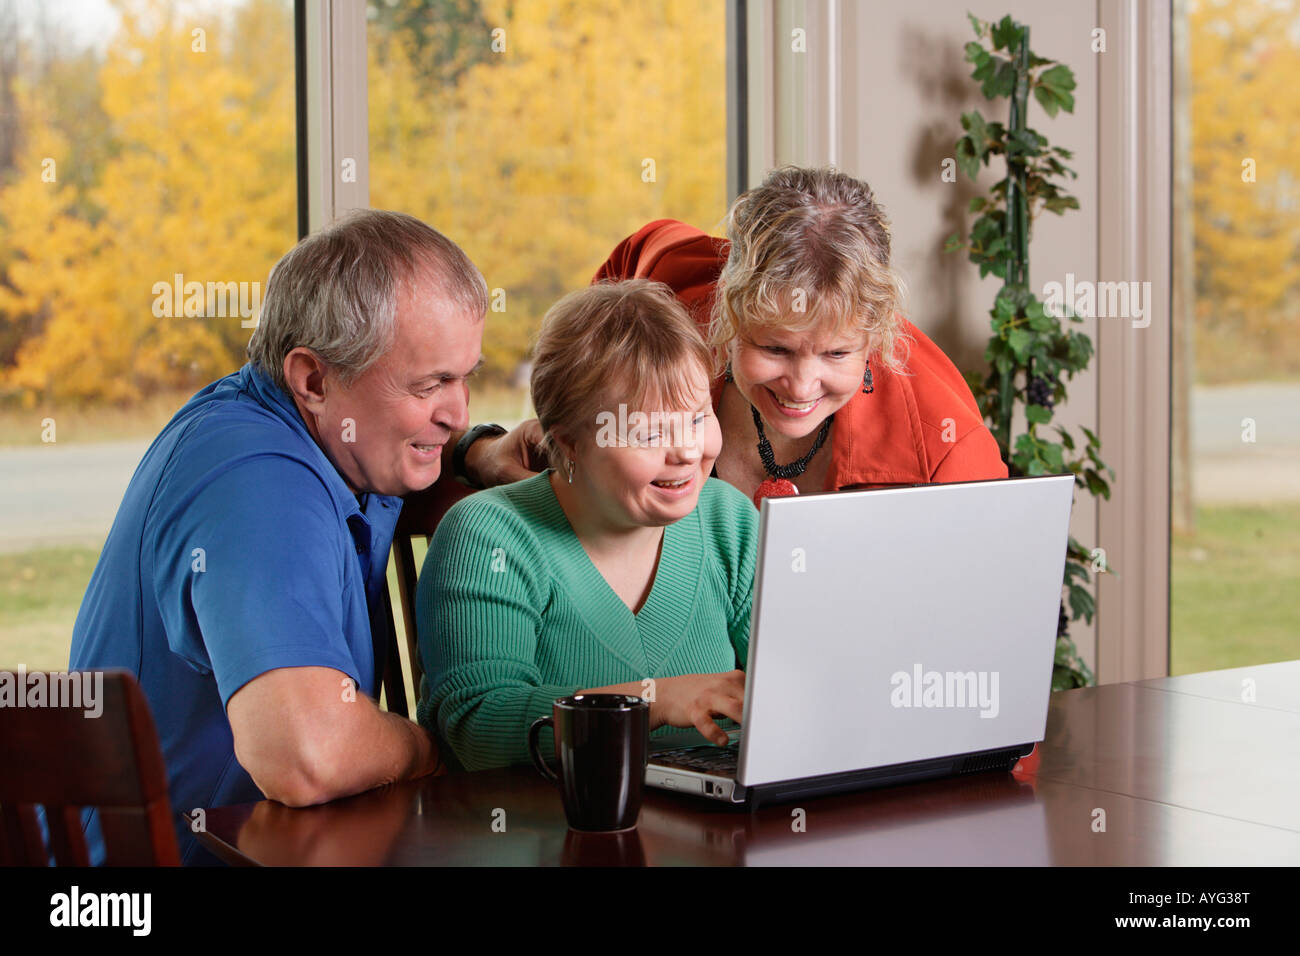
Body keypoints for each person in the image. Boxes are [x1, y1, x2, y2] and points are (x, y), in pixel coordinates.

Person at [68, 209, 488, 864]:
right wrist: (431, 749)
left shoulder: (327, 435)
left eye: (465, 376)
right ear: (313, 378)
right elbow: (307, 756)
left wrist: (476, 451)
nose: (457, 410)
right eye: (430, 383)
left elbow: (424, 443)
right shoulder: (254, 477)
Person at [416, 280, 757, 771]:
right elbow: (477, 728)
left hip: (722, 831)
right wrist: (652, 701)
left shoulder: (728, 518)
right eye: (649, 432)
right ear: (570, 444)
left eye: (698, 418)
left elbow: (800, 681)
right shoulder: (489, 536)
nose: (686, 450)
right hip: (543, 834)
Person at [591, 165, 1008, 504]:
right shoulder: (671, 291)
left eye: (837, 354)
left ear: (875, 335)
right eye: (775, 348)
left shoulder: (948, 449)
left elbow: (985, 589)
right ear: (728, 310)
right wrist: (563, 435)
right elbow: (607, 300)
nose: (802, 386)